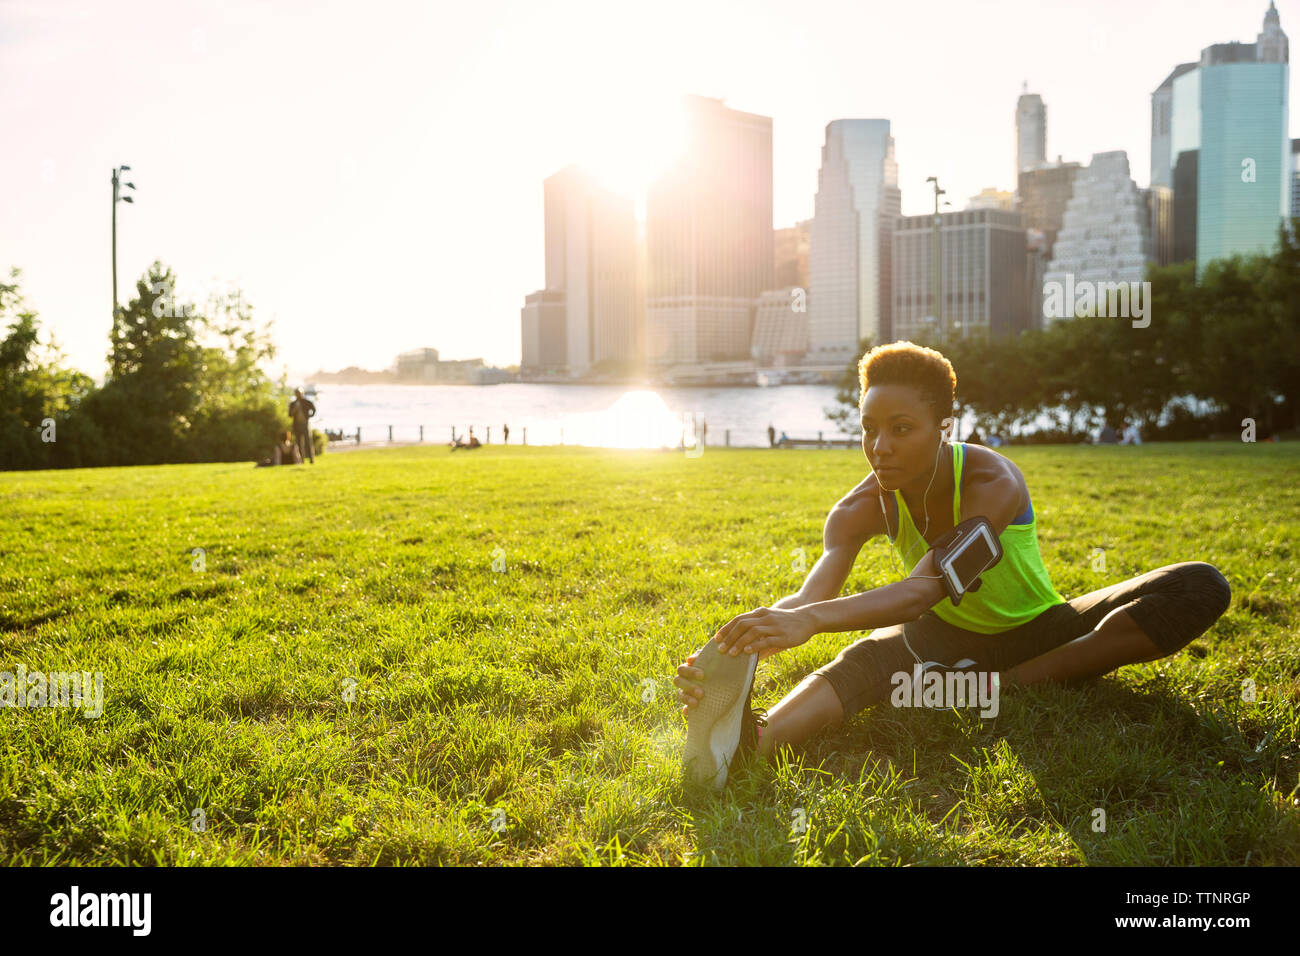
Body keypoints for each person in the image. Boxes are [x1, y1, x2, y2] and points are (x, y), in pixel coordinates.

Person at [675, 340, 1232, 788]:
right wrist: (736, 644)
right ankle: (749, 743)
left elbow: (925, 590)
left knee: (1197, 585)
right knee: (867, 657)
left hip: (1044, 630)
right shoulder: (858, 509)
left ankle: (1002, 686)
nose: (880, 447)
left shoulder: (993, 482)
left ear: (943, 426)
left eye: (901, 428)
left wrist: (811, 620)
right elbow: (807, 600)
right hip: (940, 639)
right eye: (869, 427)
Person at [289, 387, 316, 464]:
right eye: (297, 393)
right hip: (297, 425)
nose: (298, 395)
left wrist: (309, 416)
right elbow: (290, 414)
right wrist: (295, 409)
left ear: (302, 393)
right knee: (299, 443)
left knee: (308, 442)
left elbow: (313, 409)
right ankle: (302, 460)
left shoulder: (306, 402)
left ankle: (311, 459)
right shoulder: (293, 404)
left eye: (299, 393)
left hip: (305, 425)